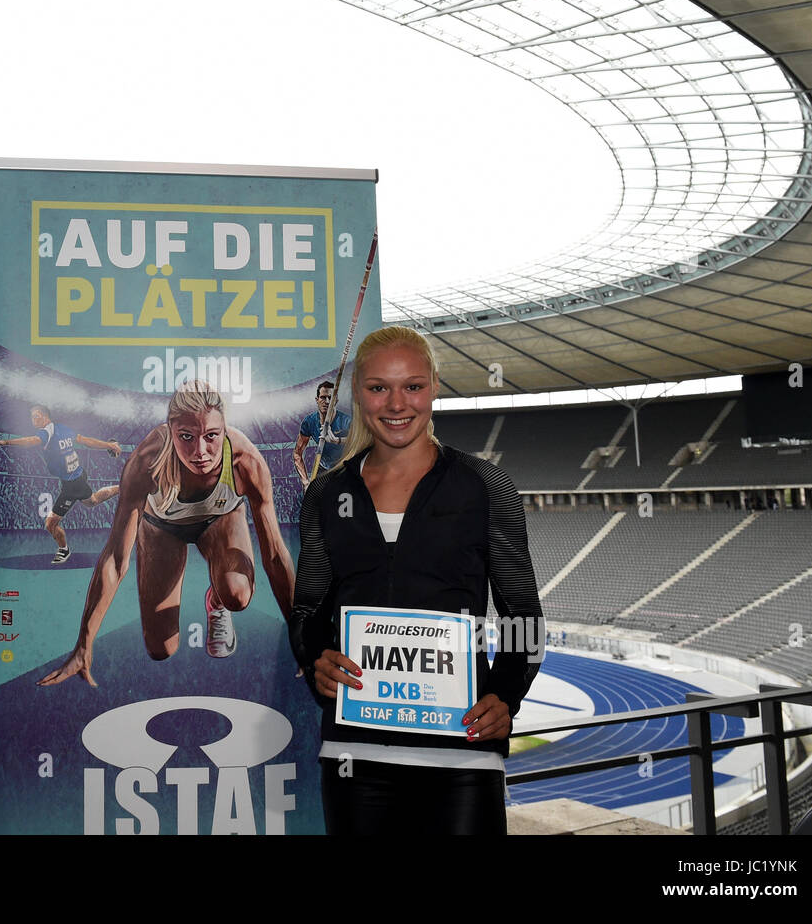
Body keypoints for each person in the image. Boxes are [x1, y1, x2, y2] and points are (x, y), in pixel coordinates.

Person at [289, 325, 542, 835]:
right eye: (379, 387)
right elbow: (307, 608)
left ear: (434, 388)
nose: (396, 403)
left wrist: (507, 693)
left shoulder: (486, 485)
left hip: (463, 754)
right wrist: (317, 658)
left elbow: (522, 613)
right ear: (358, 393)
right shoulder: (325, 494)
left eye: (413, 386)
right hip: (353, 753)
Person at [38, 381, 294, 686]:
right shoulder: (146, 462)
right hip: (162, 529)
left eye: (211, 436)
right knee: (161, 648)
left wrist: (301, 635)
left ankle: (218, 601)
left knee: (237, 594)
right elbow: (116, 560)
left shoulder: (245, 462)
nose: (200, 451)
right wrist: (84, 642)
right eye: (186, 437)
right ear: (170, 430)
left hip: (220, 521)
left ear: (224, 429)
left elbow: (276, 554)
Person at [0, 405, 120, 563]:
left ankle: (64, 550)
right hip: (77, 475)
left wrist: (6, 441)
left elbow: (32, 441)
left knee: (50, 523)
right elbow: (85, 441)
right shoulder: (62, 429)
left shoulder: (46, 432)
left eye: (35, 416)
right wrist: (109, 445)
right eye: (32, 417)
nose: (33, 420)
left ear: (45, 417)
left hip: (73, 484)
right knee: (92, 501)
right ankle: (122, 487)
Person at [293, 380, 351, 485]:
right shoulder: (309, 422)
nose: (327, 401)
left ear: (336, 400)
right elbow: (297, 454)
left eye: (331, 398)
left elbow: (361, 443)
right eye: (323, 397)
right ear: (317, 400)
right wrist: (305, 482)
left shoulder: (346, 421)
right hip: (323, 468)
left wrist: (336, 440)